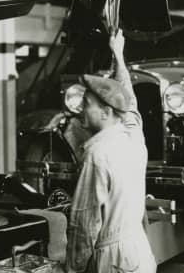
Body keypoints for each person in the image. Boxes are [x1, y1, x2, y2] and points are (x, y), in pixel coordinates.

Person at [62, 30, 156, 273]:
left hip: (111, 259)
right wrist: (119, 55)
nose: (81, 108)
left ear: (106, 112)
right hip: (139, 254)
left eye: (88, 104)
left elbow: (84, 224)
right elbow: (129, 101)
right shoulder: (134, 138)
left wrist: (73, 269)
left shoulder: (98, 155)